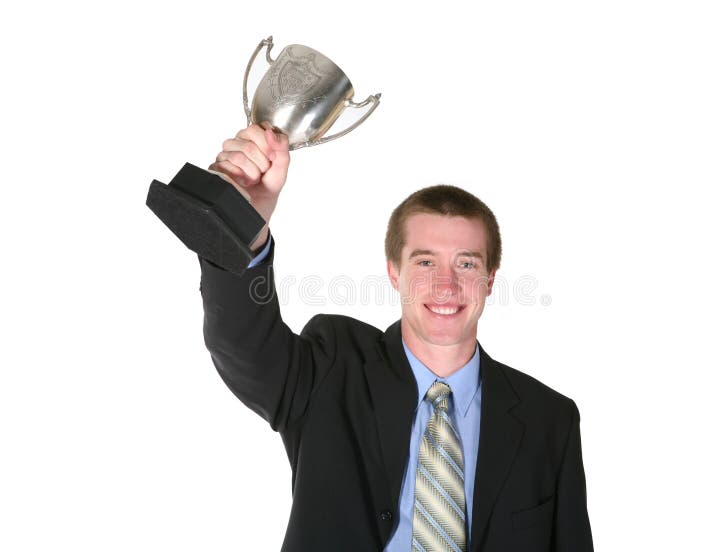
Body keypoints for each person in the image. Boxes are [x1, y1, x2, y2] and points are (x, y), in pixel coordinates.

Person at [199, 124, 594, 551]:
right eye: (425, 263)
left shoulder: (549, 421)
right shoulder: (332, 368)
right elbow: (241, 343)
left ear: (489, 279)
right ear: (394, 273)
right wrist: (244, 224)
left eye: (465, 264)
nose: (446, 286)